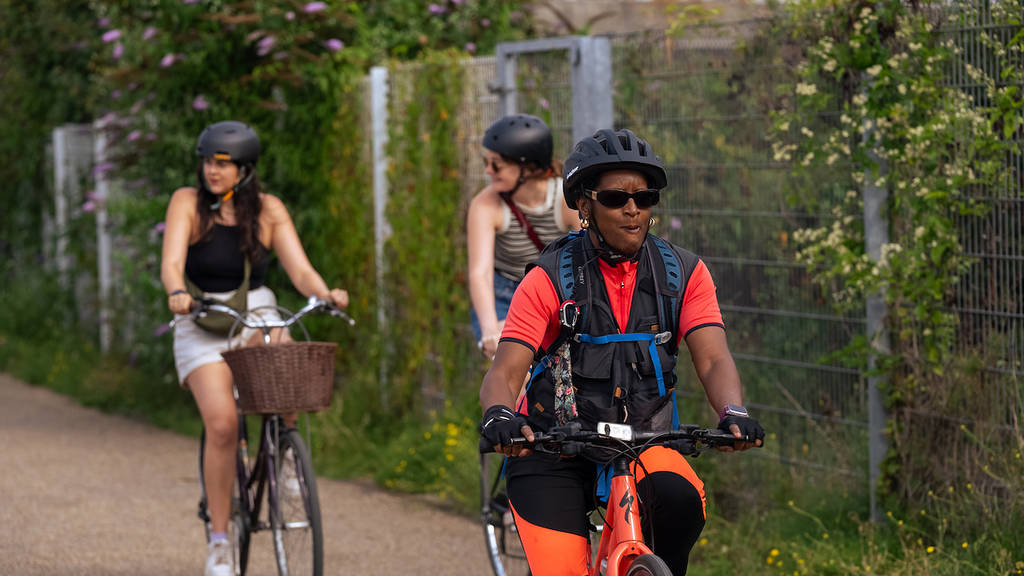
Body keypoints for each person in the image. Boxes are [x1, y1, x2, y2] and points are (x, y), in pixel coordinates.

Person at [478, 128, 764, 576]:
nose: (633, 209)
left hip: (646, 441)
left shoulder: (684, 273)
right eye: (615, 198)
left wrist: (733, 410)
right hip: (553, 447)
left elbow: (712, 358)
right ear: (584, 206)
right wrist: (499, 414)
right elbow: (507, 368)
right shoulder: (548, 278)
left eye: (644, 198)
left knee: (680, 502)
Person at [161, 120, 348, 576]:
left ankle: (286, 459)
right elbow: (171, 263)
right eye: (208, 162)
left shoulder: (268, 210)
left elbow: (300, 271)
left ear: (245, 170)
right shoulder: (187, 202)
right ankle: (220, 541)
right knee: (224, 424)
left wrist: (324, 293)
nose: (212, 171)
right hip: (201, 316)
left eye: (223, 164)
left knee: (284, 363)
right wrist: (176, 292)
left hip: (254, 312)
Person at [467, 114, 580, 360]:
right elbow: (480, 273)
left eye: (496, 165)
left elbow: (587, 256)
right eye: (486, 162)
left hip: (554, 291)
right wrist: (490, 329)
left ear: (528, 168)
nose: (488, 171)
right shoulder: (486, 204)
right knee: (515, 369)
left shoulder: (565, 199)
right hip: (505, 294)